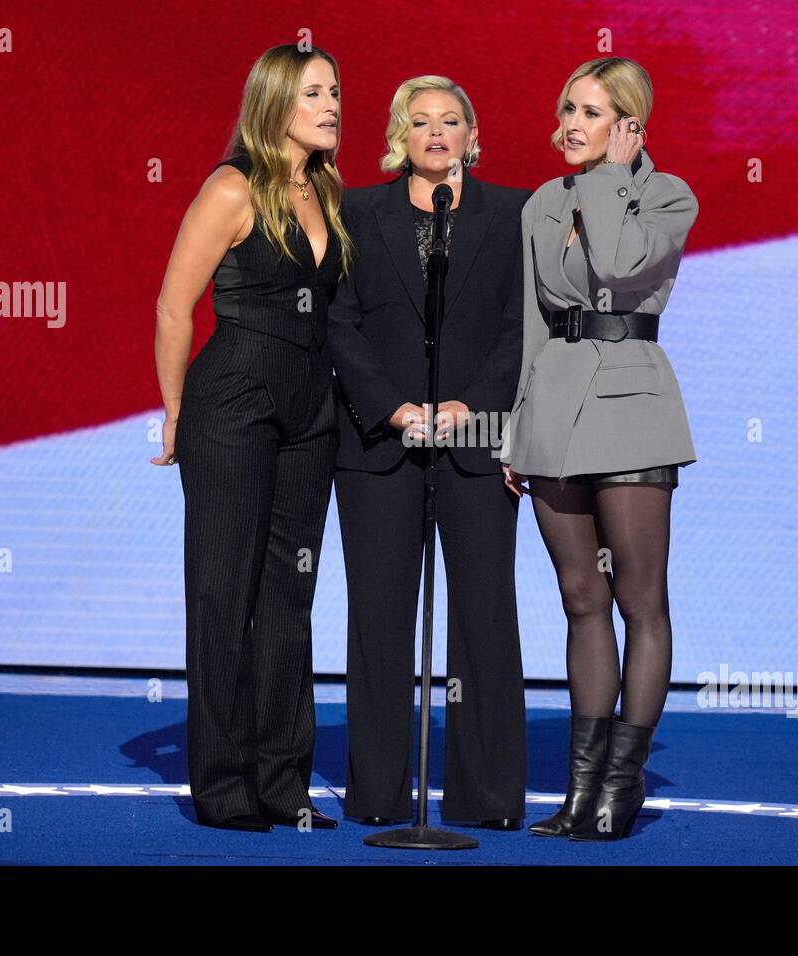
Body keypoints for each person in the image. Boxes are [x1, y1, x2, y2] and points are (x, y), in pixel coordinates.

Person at [152, 44, 353, 832]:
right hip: (232, 399)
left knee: (288, 597)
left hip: (311, 410)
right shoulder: (232, 187)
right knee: (223, 592)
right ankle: (223, 785)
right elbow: (175, 305)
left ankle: (282, 780)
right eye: (314, 93)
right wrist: (174, 411)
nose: (332, 105)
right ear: (275, 104)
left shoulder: (328, 190)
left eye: (335, 91)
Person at [499, 57, 700, 841]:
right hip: (554, 409)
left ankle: (622, 785)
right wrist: (517, 426)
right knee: (581, 599)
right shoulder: (541, 203)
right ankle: (580, 792)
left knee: (638, 601)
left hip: (634, 404)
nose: (572, 123)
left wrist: (612, 178)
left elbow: (619, 266)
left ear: (629, 125)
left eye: (593, 111)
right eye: (569, 107)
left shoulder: (666, 195)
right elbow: (531, 322)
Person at [327, 76, 530, 829]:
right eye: (420, 122)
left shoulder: (512, 213)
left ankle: (484, 797)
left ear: (473, 135)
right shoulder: (356, 211)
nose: (436, 133)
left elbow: (521, 326)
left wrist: (465, 405)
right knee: (379, 622)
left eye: (451, 121)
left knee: (484, 616)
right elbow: (340, 324)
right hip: (382, 444)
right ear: (398, 136)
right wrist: (394, 407)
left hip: (475, 444)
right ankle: (379, 794)